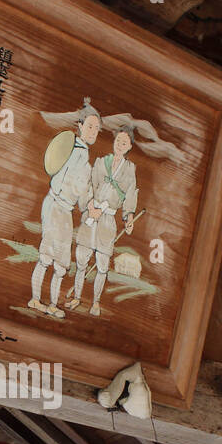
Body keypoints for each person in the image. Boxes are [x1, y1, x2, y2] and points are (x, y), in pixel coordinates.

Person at [28, 99, 100, 319]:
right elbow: (73, 186)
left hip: (62, 209)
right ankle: (40, 301)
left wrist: (88, 204)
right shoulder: (76, 152)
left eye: (97, 129)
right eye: (89, 126)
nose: (93, 132)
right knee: (52, 256)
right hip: (57, 207)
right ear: (79, 125)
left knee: (57, 259)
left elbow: (80, 192)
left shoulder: (83, 157)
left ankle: (47, 303)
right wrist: (88, 203)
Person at [69, 124, 138, 317]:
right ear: (113, 142)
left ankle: (96, 302)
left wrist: (128, 216)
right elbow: (89, 185)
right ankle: (76, 297)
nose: (120, 145)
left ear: (129, 146)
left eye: (124, 143)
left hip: (108, 218)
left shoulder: (130, 169)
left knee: (101, 264)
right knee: (81, 260)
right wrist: (90, 206)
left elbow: (131, 194)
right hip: (91, 214)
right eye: (118, 141)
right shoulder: (100, 162)